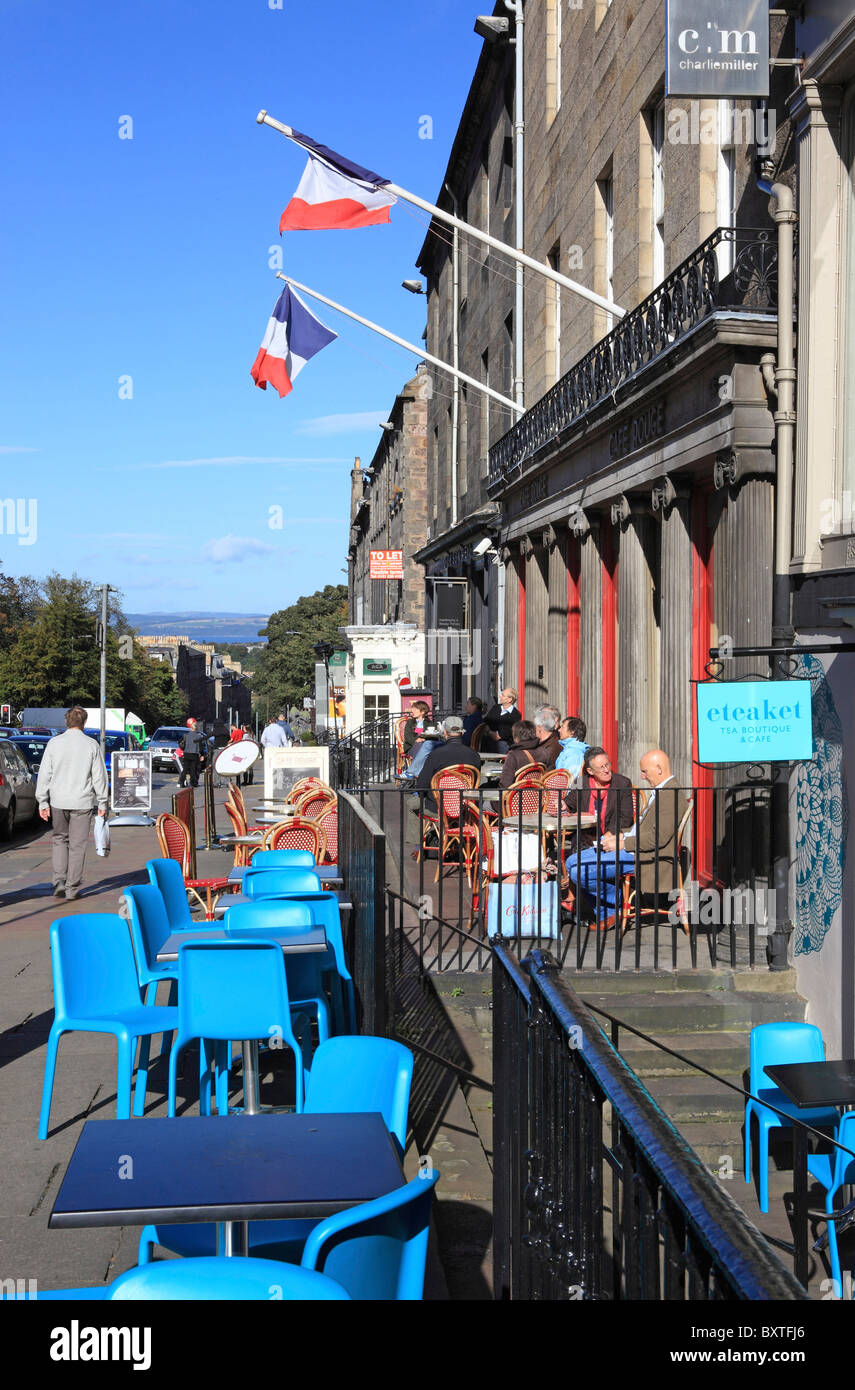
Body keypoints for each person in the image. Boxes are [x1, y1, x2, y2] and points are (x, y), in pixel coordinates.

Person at [568, 749, 682, 931]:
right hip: (631, 845)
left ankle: (617, 905)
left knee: (578, 872)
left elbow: (657, 839)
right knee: (571, 861)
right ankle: (611, 910)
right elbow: (642, 829)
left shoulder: (670, 794)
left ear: (659, 769)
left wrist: (620, 842)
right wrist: (620, 837)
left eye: (645, 771)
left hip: (645, 856)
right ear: (590, 771)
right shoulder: (661, 790)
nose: (643, 777)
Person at [35, 705, 108, 900]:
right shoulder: (91, 745)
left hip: (58, 800)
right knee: (77, 845)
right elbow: (99, 777)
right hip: (82, 802)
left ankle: (59, 879)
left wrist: (43, 801)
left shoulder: (54, 743)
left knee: (59, 839)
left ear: (66, 722)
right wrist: (102, 802)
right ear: (84, 722)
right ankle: (72, 888)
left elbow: (44, 774)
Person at [562, 746, 634, 858]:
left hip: (611, 835)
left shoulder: (622, 783)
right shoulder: (580, 782)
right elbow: (570, 801)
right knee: (577, 855)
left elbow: (626, 817)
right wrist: (564, 804)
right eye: (601, 767)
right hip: (585, 835)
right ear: (590, 771)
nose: (606, 770)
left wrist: (609, 834)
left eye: (607, 765)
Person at [415, 715, 481, 811]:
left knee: (411, 804)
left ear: (445, 732)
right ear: (462, 733)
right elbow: (474, 782)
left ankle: (426, 826)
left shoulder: (436, 754)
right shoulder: (474, 755)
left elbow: (422, 785)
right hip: (465, 806)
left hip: (438, 805)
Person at [499, 719, 543, 788]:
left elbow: (505, 784)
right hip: (537, 795)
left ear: (516, 737)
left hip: (517, 796)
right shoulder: (543, 751)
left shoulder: (513, 755)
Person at [398, 701, 432, 781]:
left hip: (424, 747)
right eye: (412, 709)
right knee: (421, 747)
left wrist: (423, 739)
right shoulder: (410, 722)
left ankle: (412, 775)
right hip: (411, 747)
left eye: (415, 709)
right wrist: (417, 739)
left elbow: (432, 736)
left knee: (424, 749)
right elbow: (408, 737)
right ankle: (421, 782)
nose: (412, 711)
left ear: (422, 712)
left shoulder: (429, 723)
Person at [483, 688, 522, 753]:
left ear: (510, 699)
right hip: (487, 742)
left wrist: (488, 731)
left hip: (503, 745)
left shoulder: (516, 715)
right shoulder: (495, 708)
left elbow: (499, 736)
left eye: (503, 695)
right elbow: (485, 722)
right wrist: (489, 731)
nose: (500, 696)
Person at [178, 718, 206, 789]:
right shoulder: (198, 736)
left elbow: (180, 743)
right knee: (193, 770)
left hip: (186, 753)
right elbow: (201, 747)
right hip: (194, 754)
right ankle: (192, 783)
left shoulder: (186, 735)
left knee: (185, 769)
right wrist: (202, 755)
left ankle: (181, 782)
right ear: (196, 728)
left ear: (190, 728)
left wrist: (184, 749)